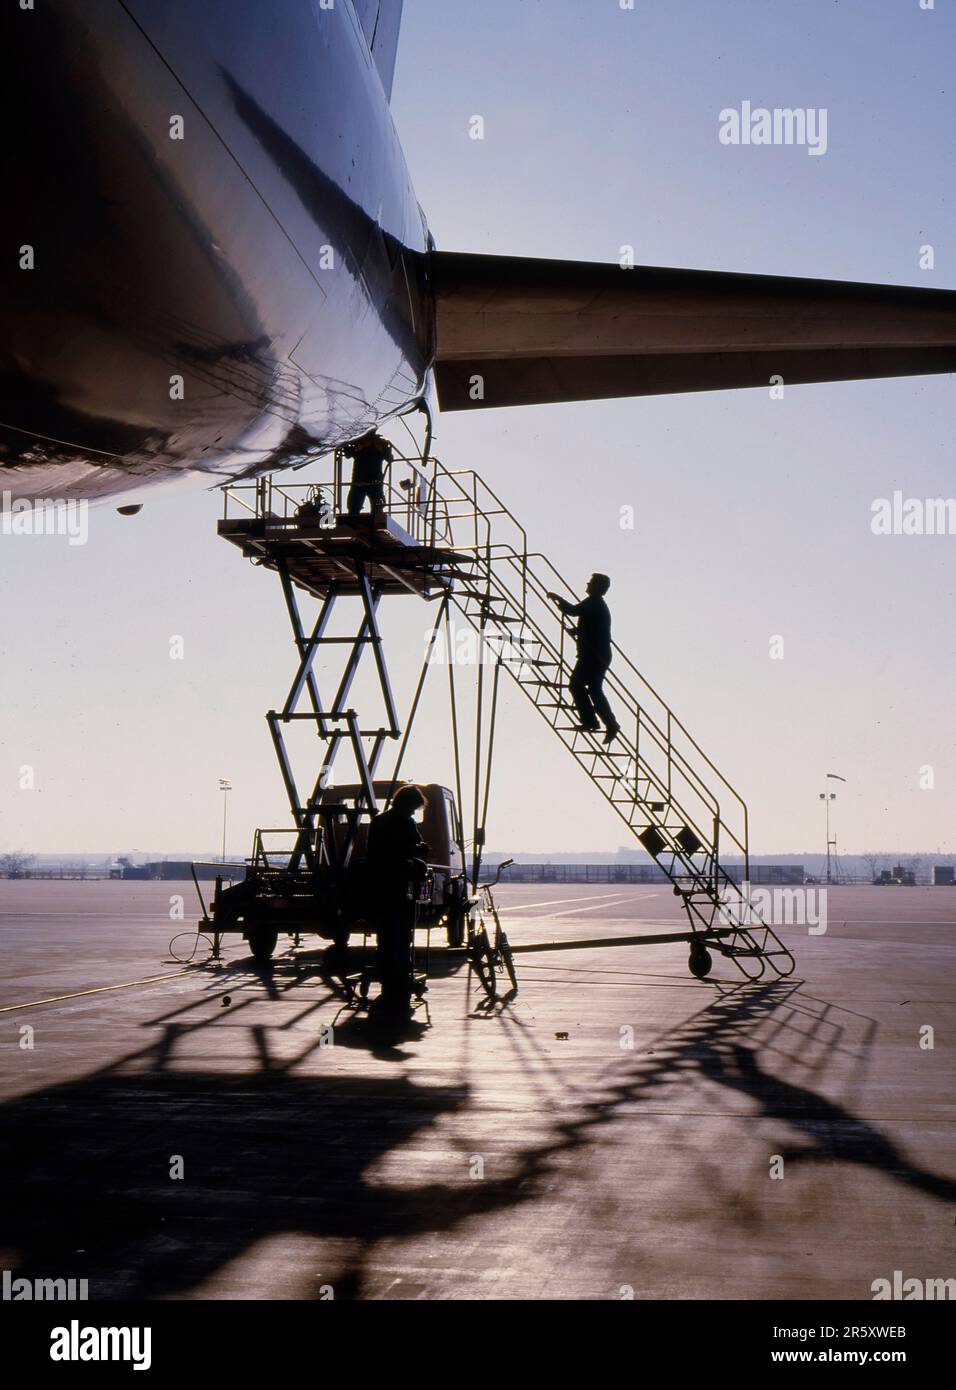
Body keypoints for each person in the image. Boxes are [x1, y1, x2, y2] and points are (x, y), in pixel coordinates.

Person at [364, 785, 430, 1014]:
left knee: (385, 935)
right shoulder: (406, 823)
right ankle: (400, 977)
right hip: (398, 886)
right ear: (410, 805)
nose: (414, 813)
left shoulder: (379, 821)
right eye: (414, 808)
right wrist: (421, 851)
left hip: (375, 886)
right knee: (402, 935)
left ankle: (386, 977)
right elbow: (413, 847)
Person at [546, 574, 621, 744]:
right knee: (593, 689)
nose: (587, 584)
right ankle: (606, 723)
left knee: (577, 685)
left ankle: (593, 722)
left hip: (593, 655)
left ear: (596, 587)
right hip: (598, 654)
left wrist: (557, 598)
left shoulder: (594, 602)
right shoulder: (596, 604)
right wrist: (579, 632)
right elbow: (594, 627)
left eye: (591, 582)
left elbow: (572, 611)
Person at [342, 429, 393, 518]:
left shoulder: (380, 442)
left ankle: (374, 522)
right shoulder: (358, 441)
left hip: (374, 481)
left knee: (377, 507)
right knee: (353, 507)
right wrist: (359, 446)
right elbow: (347, 453)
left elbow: (390, 458)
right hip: (359, 481)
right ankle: (352, 523)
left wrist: (380, 448)